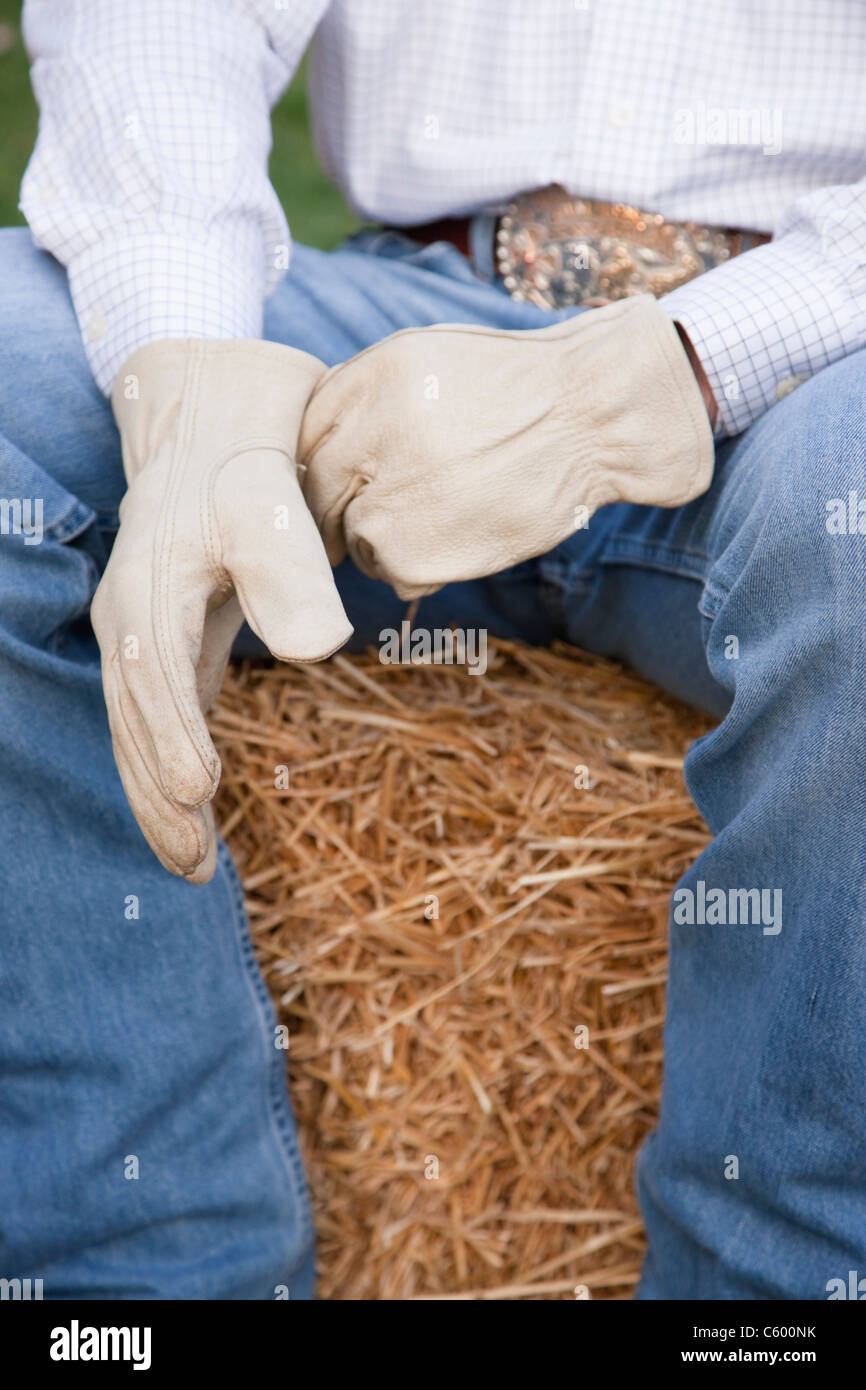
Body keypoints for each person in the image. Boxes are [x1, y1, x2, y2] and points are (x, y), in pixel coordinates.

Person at [2, 0, 864, 1300]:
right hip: (392, 331)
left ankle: (768, 1305)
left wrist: (677, 361)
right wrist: (184, 370)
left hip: (819, 354)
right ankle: (142, 1287)